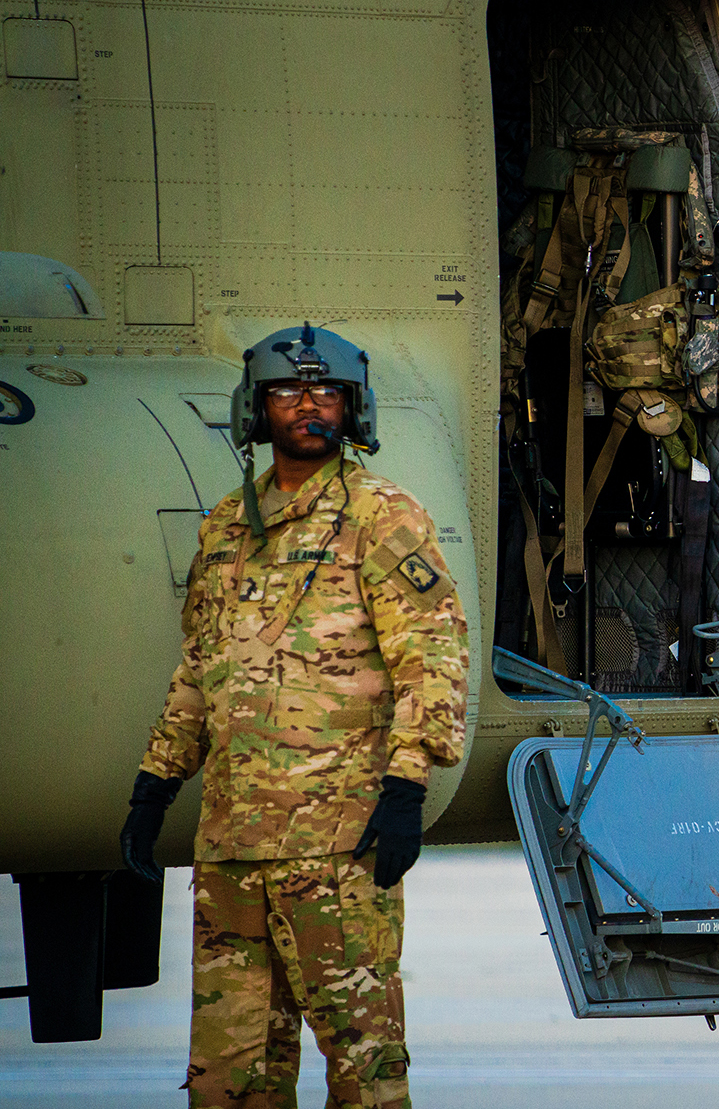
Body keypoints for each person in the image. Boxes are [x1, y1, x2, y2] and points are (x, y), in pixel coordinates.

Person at [116, 324, 468, 1108]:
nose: (308, 407)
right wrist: (155, 785)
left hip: (336, 843)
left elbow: (433, 652)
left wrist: (407, 784)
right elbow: (200, 666)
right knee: (229, 1078)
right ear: (256, 408)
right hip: (232, 847)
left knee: (364, 1070)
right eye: (287, 393)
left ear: (353, 408)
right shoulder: (225, 526)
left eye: (326, 394)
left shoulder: (382, 516)